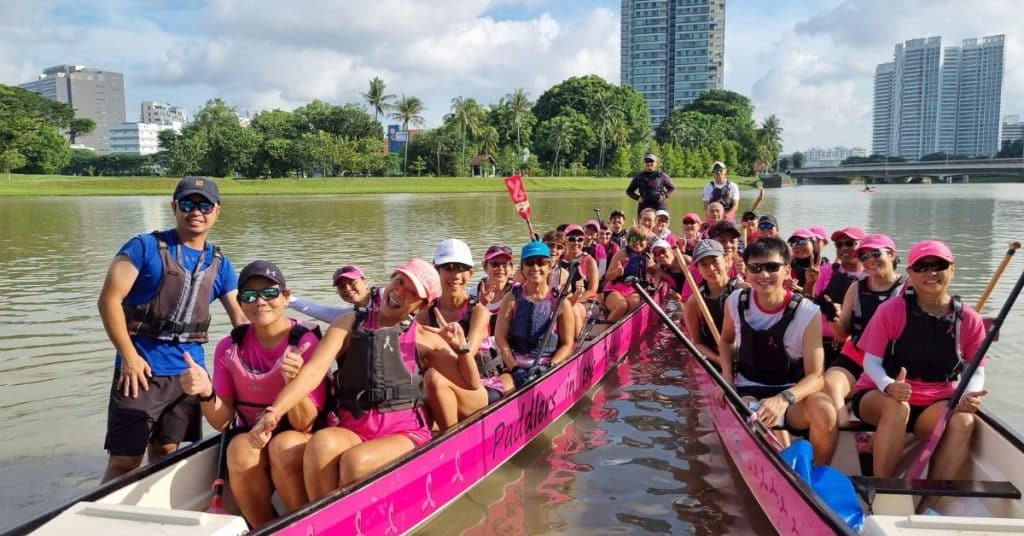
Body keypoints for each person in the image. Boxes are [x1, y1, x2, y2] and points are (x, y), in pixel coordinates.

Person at [248, 259, 448, 501]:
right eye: (399, 281)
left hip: (403, 429)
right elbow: (314, 371)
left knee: (355, 462)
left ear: (423, 303)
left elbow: (469, 382)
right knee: (321, 444)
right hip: (353, 425)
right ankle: (322, 521)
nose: (400, 291)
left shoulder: (426, 337)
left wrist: (463, 349)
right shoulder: (348, 321)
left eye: (412, 291)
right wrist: (274, 412)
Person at [98, 176, 245, 482]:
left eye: (205, 205)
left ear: (217, 211)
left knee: (167, 454)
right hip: (139, 372)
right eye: (188, 203)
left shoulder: (221, 264)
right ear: (174, 207)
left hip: (187, 376)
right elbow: (109, 300)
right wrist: (128, 355)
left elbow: (241, 320)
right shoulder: (144, 247)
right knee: (124, 462)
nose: (196, 211)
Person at [179, 260, 326, 528]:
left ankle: (303, 525)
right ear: (241, 303)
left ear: (285, 296)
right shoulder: (229, 346)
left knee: (283, 447)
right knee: (238, 449)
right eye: (249, 295)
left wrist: (293, 380)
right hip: (253, 434)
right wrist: (205, 393)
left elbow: (305, 422)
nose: (260, 302)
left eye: (269, 293)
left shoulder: (305, 342)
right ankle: (264, 528)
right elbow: (222, 421)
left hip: (298, 434)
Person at [850, 241, 988, 498]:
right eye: (922, 266)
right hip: (879, 396)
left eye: (939, 265)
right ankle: (882, 494)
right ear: (910, 274)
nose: (930, 272)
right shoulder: (891, 310)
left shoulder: (968, 319)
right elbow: (871, 362)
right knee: (897, 406)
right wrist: (890, 385)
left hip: (935, 401)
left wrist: (968, 395)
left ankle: (931, 503)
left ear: (952, 270)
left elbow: (977, 369)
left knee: (964, 420)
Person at [717, 237, 838, 466]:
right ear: (748, 273)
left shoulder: (807, 311)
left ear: (786, 271)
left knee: (825, 412)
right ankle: (771, 462)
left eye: (772, 267)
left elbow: (816, 377)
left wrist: (784, 399)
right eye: (756, 268)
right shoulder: (735, 301)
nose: (763, 275)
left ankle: (816, 478)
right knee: (751, 412)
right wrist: (726, 378)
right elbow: (725, 341)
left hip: (790, 392)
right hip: (748, 388)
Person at [420, 239, 507, 430]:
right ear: (437, 271)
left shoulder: (479, 311)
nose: (455, 275)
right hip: (441, 387)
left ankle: (449, 442)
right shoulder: (425, 313)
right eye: (448, 268)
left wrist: (442, 345)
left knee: (433, 377)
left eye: (461, 268)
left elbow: (468, 357)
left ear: (471, 273)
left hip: (480, 387)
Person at [823, 234, 906, 410]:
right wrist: (832, 318)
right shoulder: (856, 287)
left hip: (892, 361)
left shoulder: (909, 288)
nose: (869, 260)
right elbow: (842, 333)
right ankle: (843, 423)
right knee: (830, 385)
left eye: (875, 253)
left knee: (893, 401)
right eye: (863, 256)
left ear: (891, 254)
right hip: (856, 356)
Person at [494, 242, 575, 388]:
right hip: (514, 366)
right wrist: (515, 369)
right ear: (522, 269)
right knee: (503, 390)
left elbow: (567, 345)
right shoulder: (510, 299)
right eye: (529, 263)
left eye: (541, 262)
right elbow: (500, 339)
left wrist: (550, 365)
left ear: (549, 267)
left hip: (547, 366)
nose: (535, 268)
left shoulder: (561, 303)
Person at [811, 227, 865, 368]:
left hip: (853, 342)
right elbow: (812, 301)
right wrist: (810, 283)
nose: (844, 248)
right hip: (820, 338)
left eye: (850, 243)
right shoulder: (825, 271)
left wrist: (844, 335)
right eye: (839, 245)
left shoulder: (869, 277)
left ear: (863, 246)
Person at [682, 240, 739, 369]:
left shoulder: (744, 290)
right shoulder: (694, 302)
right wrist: (719, 360)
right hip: (718, 360)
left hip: (747, 359)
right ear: (698, 270)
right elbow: (697, 344)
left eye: (715, 261)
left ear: (725, 260)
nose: (711, 269)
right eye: (704, 264)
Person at [289, 264, 379, 323]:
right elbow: (318, 310)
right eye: (342, 286)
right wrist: (285, 297)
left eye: (352, 282)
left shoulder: (386, 296)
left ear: (365, 282)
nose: (347, 288)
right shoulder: (349, 315)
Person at [603, 225, 656, 322]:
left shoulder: (648, 256)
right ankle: (607, 330)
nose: (637, 242)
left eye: (641, 239)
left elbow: (654, 274)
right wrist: (617, 272)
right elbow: (607, 277)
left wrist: (652, 267)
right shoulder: (622, 254)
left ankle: (623, 329)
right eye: (634, 238)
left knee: (635, 304)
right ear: (628, 241)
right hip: (614, 290)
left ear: (646, 241)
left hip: (633, 291)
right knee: (621, 305)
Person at [626, 153, 676, 218]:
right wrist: (638, 198)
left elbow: (672, 188)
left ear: (656, 163)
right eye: (646, 161)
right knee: (643, 227)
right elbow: (629, 191)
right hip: (644, 205)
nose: (649, 163)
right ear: (644, 163)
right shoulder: (639, 177)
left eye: (651, 161)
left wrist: (664, 196)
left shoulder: (662, 175)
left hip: (659, 205)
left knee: (661, 225)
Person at [787, 228, 820, 295]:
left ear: (813, 243)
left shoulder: (824, 265)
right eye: (794, 243)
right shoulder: (789, 265)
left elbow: (820, 295)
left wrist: (798, 287)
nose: (798, 246)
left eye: (803, 242)